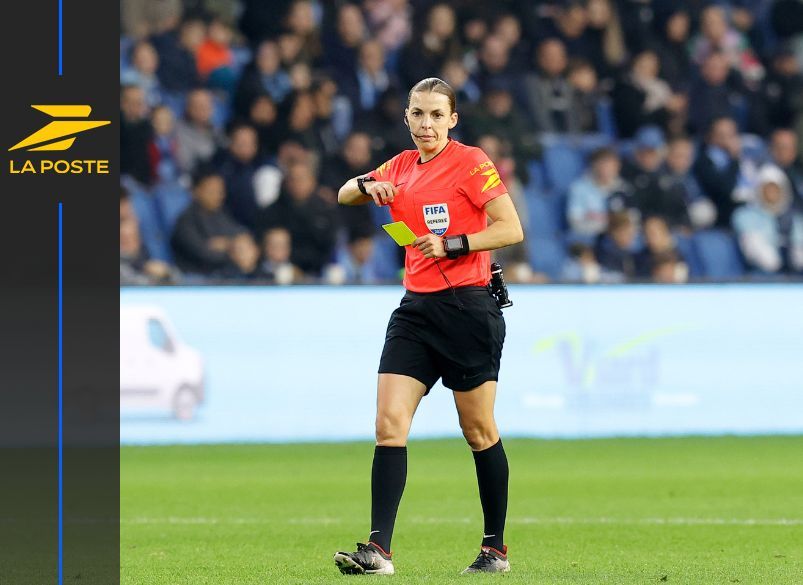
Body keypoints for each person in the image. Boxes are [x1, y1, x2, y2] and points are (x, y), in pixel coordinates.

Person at [333, 78, 523, 576]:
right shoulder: (398, 164)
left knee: (478, 430)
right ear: (406, 116)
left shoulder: (472, 161)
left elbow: (510, 228)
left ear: (452, 120)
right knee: (388, 425)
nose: (426, 124)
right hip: (416, 310)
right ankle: (378, 551)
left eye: (437, 115)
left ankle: (495, 549)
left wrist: (454, 244)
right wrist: (366, 186)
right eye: (418, 114)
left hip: (467, 308)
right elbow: (343, 194)